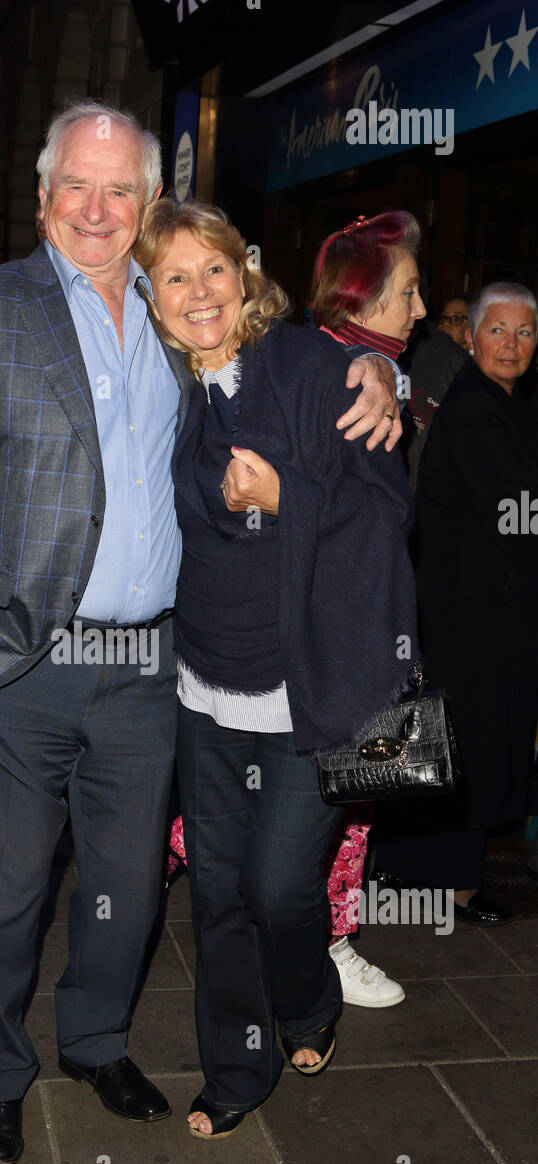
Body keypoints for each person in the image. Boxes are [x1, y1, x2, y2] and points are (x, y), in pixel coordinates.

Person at [0, 100, 402, 1164]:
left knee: (127, 889)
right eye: (74, 186)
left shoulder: (176, 315)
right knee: (4, 891)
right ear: (39, 200)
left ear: (142, 206)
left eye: (118, 188)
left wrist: (381, 371)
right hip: (20, 664)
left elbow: (290, 368)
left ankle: (92, 1040)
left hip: (150, 669)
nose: (96, 208)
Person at [135, 197, 418, 1137]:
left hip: (308, 689)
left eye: (213, 268)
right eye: (175, 277)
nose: (199, 292)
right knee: (216, 894)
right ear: (153, 297)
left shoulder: (315, 367)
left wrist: (288, 492)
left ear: (244, 273)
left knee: (278, 886)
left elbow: (385, 519)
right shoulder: (164, 384)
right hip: (204, 687)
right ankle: (237, 1070)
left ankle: (307, 1000)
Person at [372, 283, 538, 925]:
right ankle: (453, 889)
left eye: (524, 333)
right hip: (467, 614)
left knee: (464, 745)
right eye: (498, 330)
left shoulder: (509, 404)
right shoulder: (474, 407)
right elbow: (510, 515)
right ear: (471, 335)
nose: (511, 345)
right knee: (463, 744)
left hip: (487, 610)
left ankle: (422, 874)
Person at [309, 210, 427, 1005]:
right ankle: (324, 945)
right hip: (335, 639)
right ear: (364, 299)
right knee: (345, 798)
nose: (421, 310)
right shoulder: (345, 375)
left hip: (344, 631)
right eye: (410, 293)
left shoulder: (364, 366)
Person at [403, 295, 469, 491]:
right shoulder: (418, 356)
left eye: (456, 319)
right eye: (443, 317)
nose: (447, 324)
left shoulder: (469, 377)